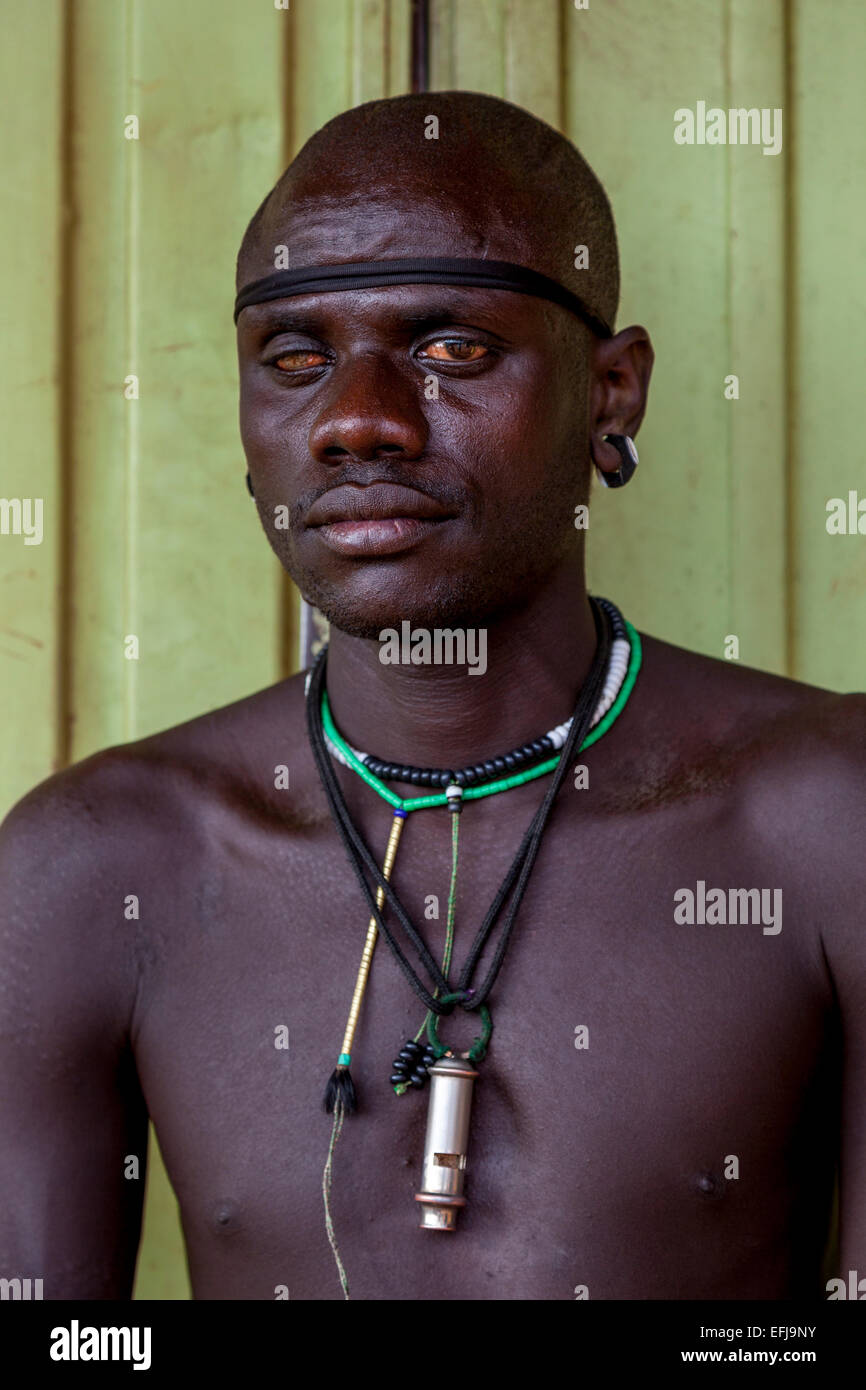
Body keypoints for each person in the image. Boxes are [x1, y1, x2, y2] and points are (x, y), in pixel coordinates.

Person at [1, 91, 862, 1302]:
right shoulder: (95, 860)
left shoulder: (826, 814)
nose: (356, 420)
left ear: (610, 394)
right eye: (294, 359)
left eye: (449, 348)